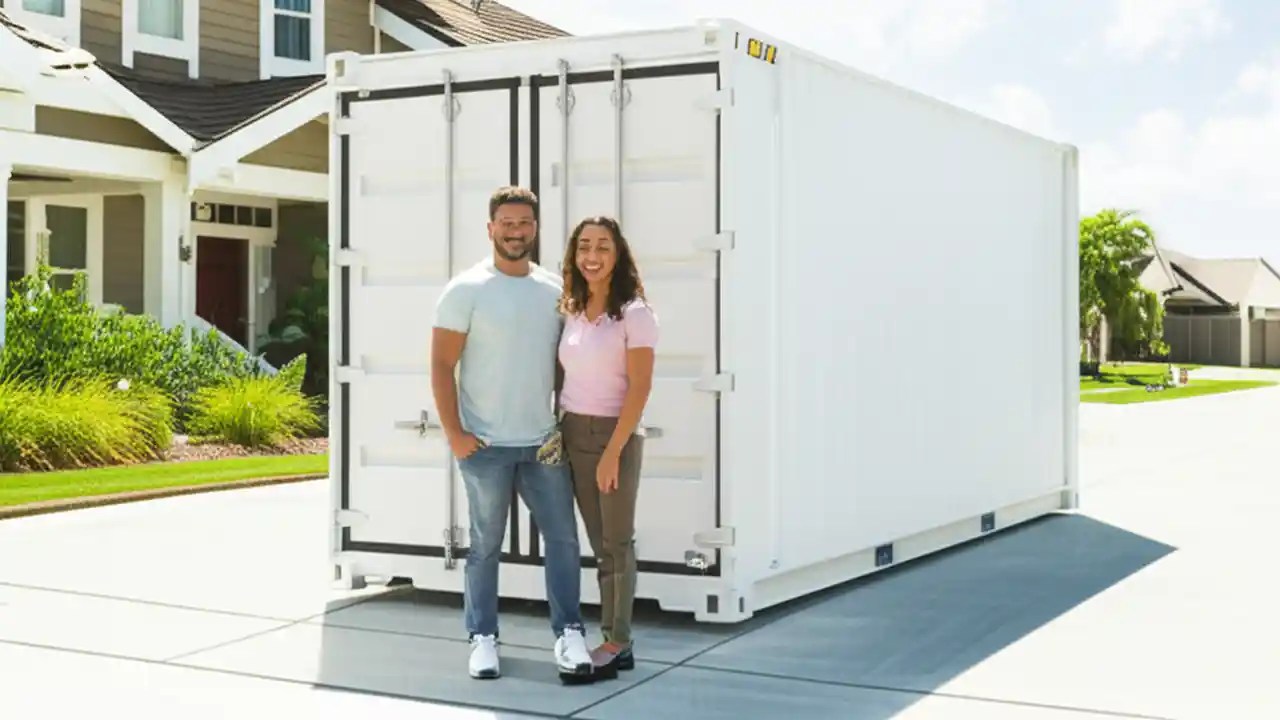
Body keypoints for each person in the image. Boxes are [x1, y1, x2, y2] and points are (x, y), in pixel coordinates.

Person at [430, 186, 594, 683]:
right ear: (490, 228)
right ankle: (483, 637)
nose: (515, 230)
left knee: (563, 540)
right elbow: (440, 365)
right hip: (484, 446)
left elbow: (564, 363)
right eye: (506, 222)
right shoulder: (466, 289)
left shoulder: (553, 291)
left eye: (524, 222)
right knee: (485, 545)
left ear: (535, 229)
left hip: (543, 443)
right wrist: (455, 434)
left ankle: (569, 634)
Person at [556, 216, 658, 675]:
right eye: (583, 247)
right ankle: (614, 637)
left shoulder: (635, 313)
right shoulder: (573, 308)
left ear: (618, 255)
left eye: (602, 247)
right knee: (600, 545)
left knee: (617, 543)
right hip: (573, 432)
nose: (591, 256)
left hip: (614, 435)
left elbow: (639, 388)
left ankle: (618, 641)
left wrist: (614, 451)